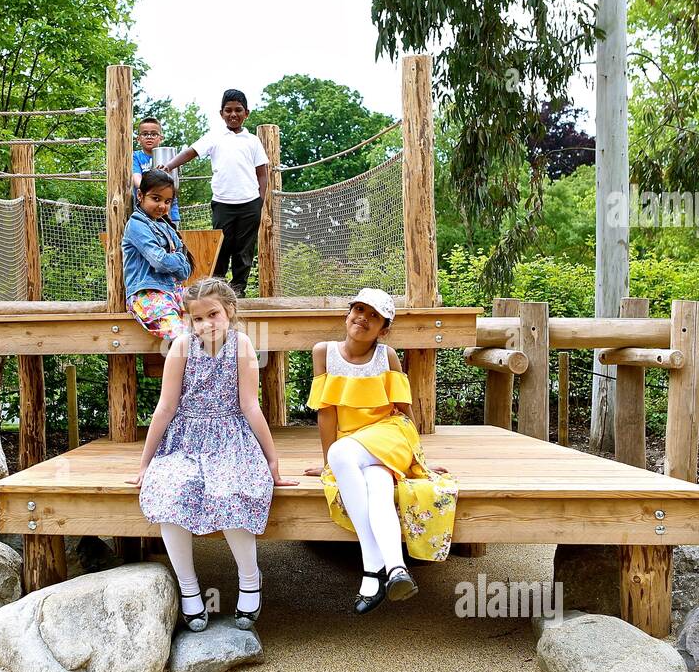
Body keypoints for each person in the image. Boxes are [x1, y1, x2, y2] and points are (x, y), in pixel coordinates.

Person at [130, 277, 296, 631]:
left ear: (230, 312)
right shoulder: (180, 347)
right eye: (197, 318)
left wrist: (271, 459)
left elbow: (251, 406)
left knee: (231, 489)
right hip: (185, 440)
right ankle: (190, 592)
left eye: (213, 314)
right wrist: (146, 463)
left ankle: (250, 579)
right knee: (170, 491)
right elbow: (165, 407)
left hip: (230, 438)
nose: (206, 324)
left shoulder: (243, 346)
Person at [305, 288, 458, 614]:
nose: (362, 318)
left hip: (390, 434)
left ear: (383, 329)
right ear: (348, 314)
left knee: (343, 454)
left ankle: (371, 564)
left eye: (373, 316)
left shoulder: (385, 355)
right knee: (376, 484)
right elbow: (326, 411)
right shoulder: (324, 352)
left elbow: (403, 407)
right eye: (358, 310)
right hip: (353, 443)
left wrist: (420, 459)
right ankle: (394, 569)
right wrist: (326, 462)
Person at [160, 89, 267, 296]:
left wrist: (261, 200)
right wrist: (170, 166)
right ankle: (218, 290)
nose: (233, 115)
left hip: (250, 203)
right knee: (222, 247)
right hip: (223, 203)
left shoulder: (252, 141)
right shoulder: (215, 137)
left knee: (244, 250)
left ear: (247, 113)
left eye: (238, 110)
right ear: (221, 113)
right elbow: (191, 151)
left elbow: (262, 173)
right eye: (228, 110)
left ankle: (239, 290)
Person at [123, 170, 190, 342]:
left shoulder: (167, 227)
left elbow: (185, 271)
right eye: (156, 198)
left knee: (209, 323)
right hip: (148, 293)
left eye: (167, 201)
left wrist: (174, 259)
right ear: (140, 195)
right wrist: (177, 258)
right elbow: (159, 261)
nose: (162, 206)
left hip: (173, 291)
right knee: (182, 336)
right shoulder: (136, 225)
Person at [132, 116, 180, 224]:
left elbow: (175, 183)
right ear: (138, 139)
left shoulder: (169, 155)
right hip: (145, 210)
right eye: (145, 134)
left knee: (171, 237)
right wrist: (155, 192)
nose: (149, 137)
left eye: (154, 134)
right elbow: (136, 178)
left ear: (161, 137)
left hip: (170, 210)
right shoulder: (135, 156)